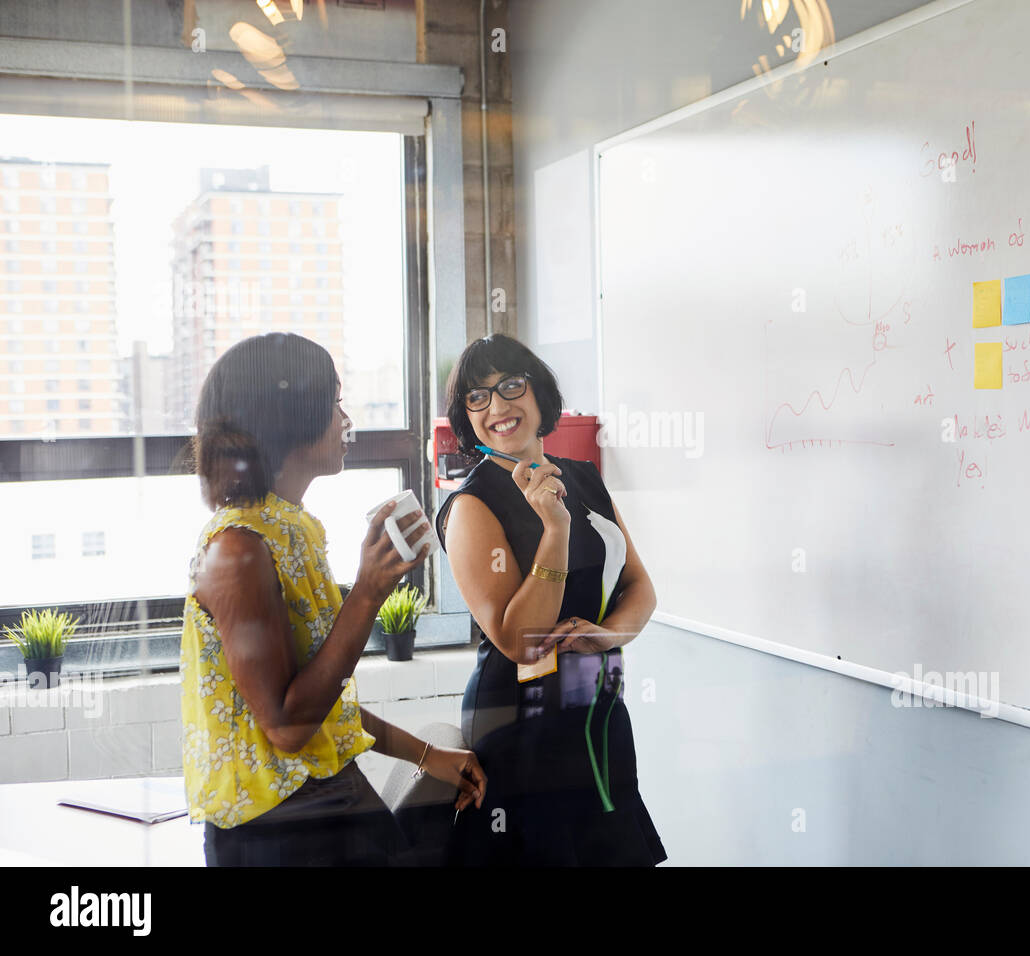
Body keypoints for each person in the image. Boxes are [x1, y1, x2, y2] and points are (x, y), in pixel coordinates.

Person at [180, 332, 486, 866]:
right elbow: (287, 726)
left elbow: (324, 705)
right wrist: (368, 591)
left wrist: (427, 755)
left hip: (327, 811)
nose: (345, 420)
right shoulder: (238, 550)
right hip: (278, 836)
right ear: (289, 418)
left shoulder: (291, 531)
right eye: (334, 402)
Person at [435, 333, 666, 866]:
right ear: (467, 416)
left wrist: (606, 634)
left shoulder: (583, 476)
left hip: (599, 709)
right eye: (477, 396)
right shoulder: (471, 506)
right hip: (521, 720)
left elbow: (639, 587)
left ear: (538, 392)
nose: (496, 406)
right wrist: (554, 532)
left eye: (510, 385)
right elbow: (520, 641)